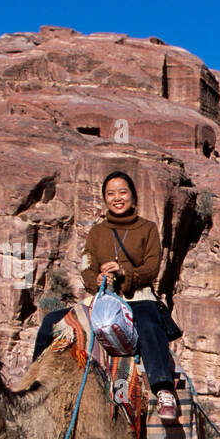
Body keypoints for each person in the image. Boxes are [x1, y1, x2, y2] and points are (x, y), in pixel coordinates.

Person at [33, 171, 179, 419]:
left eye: (123, 192)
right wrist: (96, 279)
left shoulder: (147, 229)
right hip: (102, 300)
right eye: (110, 194)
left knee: (147, 321)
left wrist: (124, 272)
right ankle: (35, 385)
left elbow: (152, 267)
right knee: (52, 322)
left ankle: (163, 389)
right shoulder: (97, 232)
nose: (117, 198)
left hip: (137, 297)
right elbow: (86, 268)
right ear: (105, 199)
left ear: (133, 197)